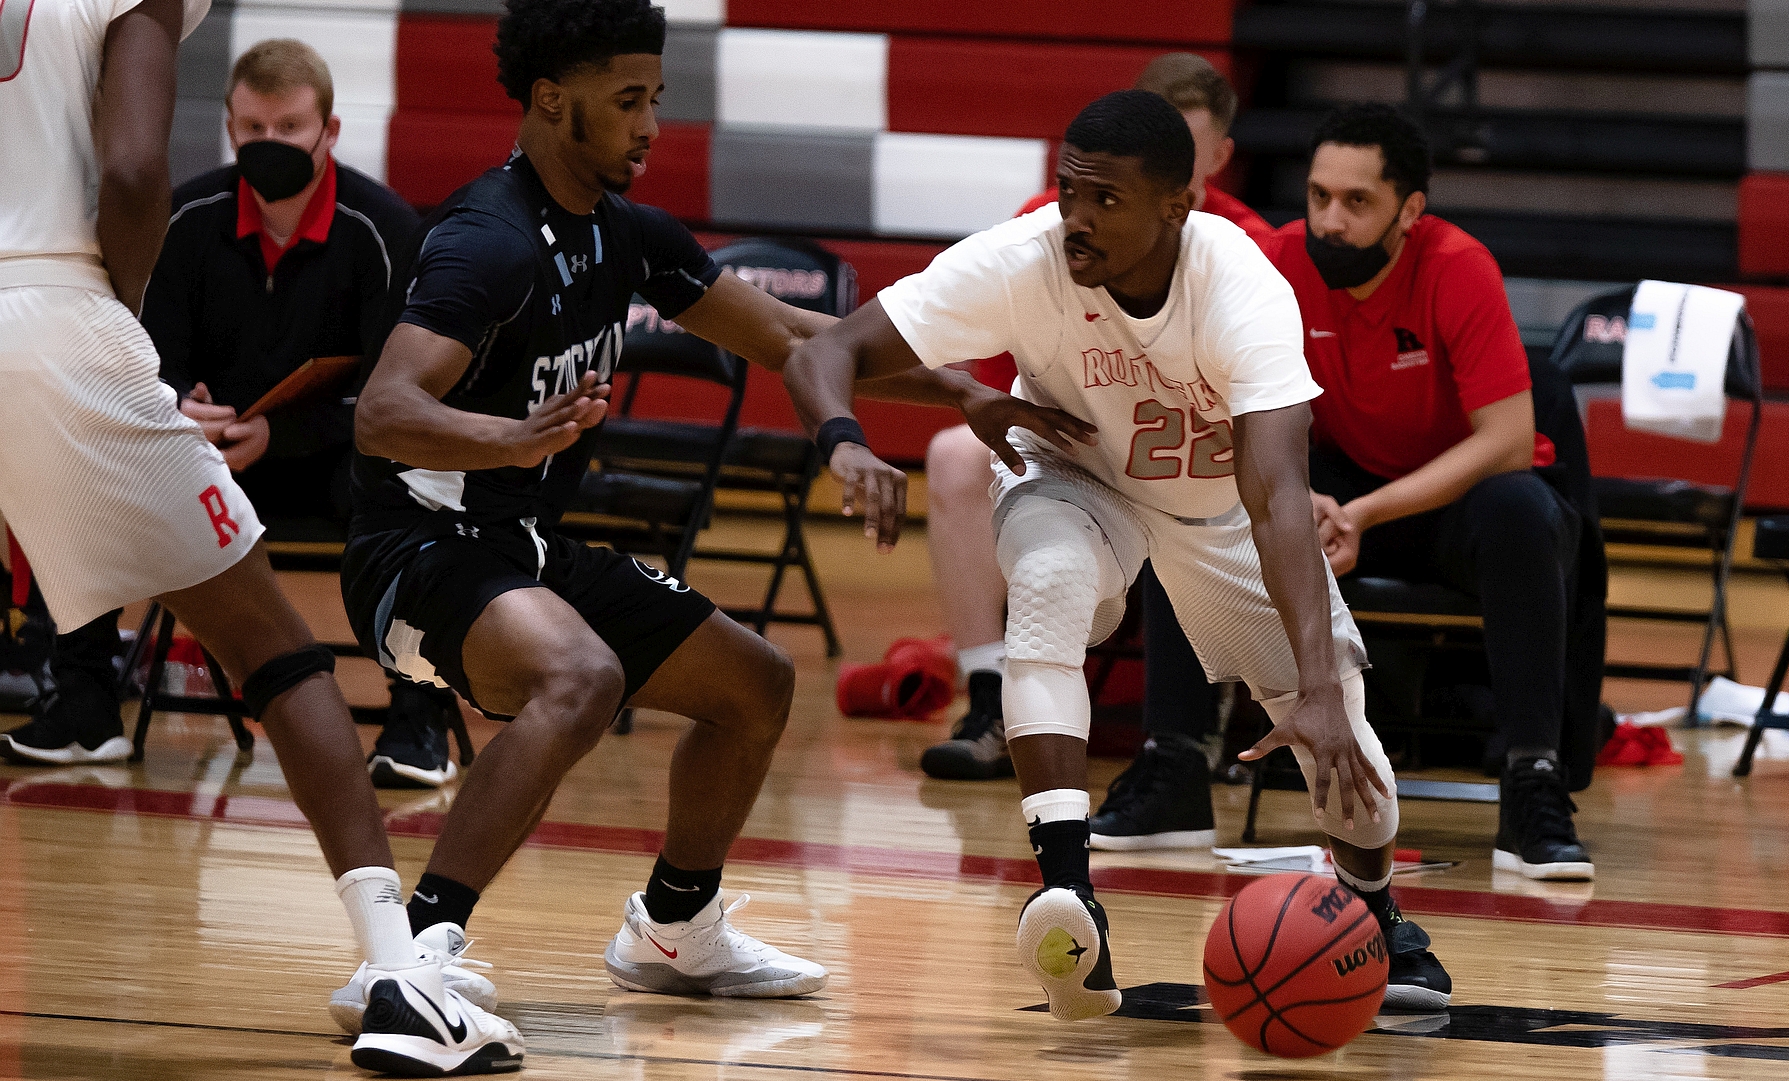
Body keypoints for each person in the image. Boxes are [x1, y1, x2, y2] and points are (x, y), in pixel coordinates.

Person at [332, 1, 1051, 1069]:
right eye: (627, 101)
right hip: (419, 549)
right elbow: (383, 410)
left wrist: (959, 393)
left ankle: (675, 927)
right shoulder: (487, 241)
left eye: (655, 99)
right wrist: (509, 434)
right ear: (548, 99)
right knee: (578, 676)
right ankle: (422, 949)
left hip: (520, 542)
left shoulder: (624, 235)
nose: (648, 123)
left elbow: (800, 335)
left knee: (755, 682)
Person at [784, 90, 1452, 1018]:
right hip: (1076, 475)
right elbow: (825, 351)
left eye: (1106, 200)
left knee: (1346, 745)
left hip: (1217, 510)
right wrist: (848, 441)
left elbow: (1278, 498)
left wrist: (1318, 692)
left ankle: (1379, 914)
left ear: (1179, 206)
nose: (1077, 218)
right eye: (1069, 191)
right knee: (1052, 585)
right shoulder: (1024, 260)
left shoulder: (1244, 285)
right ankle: (1067, 893)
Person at [0, 0, 520, 1073]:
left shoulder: (375, 227)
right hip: (50, 309)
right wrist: (117, 319)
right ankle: (396, 970)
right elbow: (138, 170)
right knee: (276, 649)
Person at [919, 56, 1255, 856]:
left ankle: (1187, 743)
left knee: (1194, 497)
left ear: (1210, 162)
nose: (1086, 210)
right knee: (949, 454)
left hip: (1185, 458)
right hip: (1074, 448)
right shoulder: (1051, 222)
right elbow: (958, 355)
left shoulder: (1244, 243)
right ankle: (990, 693)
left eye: (1191, 143)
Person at [1262, 104, 1595, 882]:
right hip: (1342, 483)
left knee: (1521, 510)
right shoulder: (1274, 260)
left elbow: (1508, 439)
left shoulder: (1457, 264)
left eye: (1356, 202)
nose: (1329, 222)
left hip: (1457, 496)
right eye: (1317, 197)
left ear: (1410, 210)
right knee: (1204, 502)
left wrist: (1365, 513)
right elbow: (1234, 406)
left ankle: (1533, 781)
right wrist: (1300, 493)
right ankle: (1176, 758)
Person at [142, 38, 458, 789]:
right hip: (208, 459)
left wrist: (282, 433)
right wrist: (178, 404)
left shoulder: (384, 231)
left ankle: (417, 721)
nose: (269, 144)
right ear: (229, 127)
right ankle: (83, 700)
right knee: (103, 472)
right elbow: (153, 355)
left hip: (336, 463)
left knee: (405, 487)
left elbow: (401, 395)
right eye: (253, 129)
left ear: (331, 132)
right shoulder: (188, 217)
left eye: (288, 128)